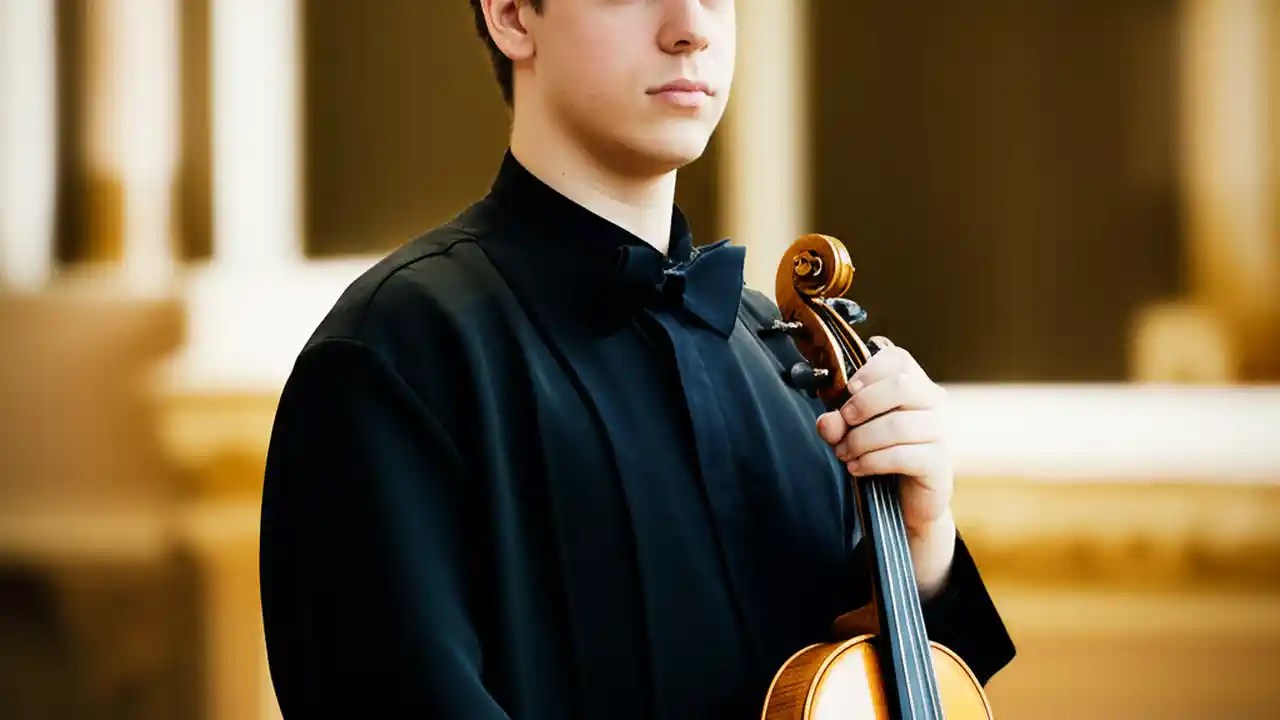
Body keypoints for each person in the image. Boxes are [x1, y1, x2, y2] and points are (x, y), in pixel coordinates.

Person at [258, 1, 1015, 717]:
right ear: (513, 13)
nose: (691, 28)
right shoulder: (391, 358)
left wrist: (920, 553)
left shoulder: (791, 363)